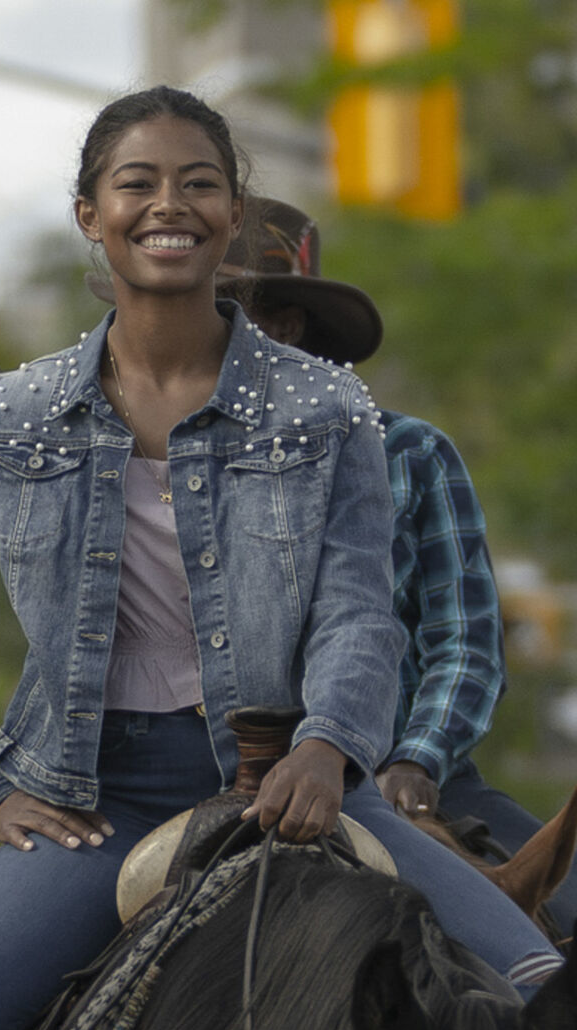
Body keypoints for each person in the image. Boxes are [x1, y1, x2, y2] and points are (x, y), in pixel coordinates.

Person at [0, 85, 563, 1030]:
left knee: (531, 989)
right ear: (89, 216)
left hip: (295, 778)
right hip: (94, 799)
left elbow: (361, 612)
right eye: (136, 183)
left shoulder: (328, 407)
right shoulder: (7, 415)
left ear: (232, 214)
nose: (168, 205)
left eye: (199, 184)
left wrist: (328, 747)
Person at [215, 194, 577, 930]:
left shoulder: (410, 453)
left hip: (404, 777)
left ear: (288, 326)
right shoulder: (151, 460)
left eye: (233, 312)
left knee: (561, 912)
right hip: (217, 782)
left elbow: (465, 642)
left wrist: (415, 761)